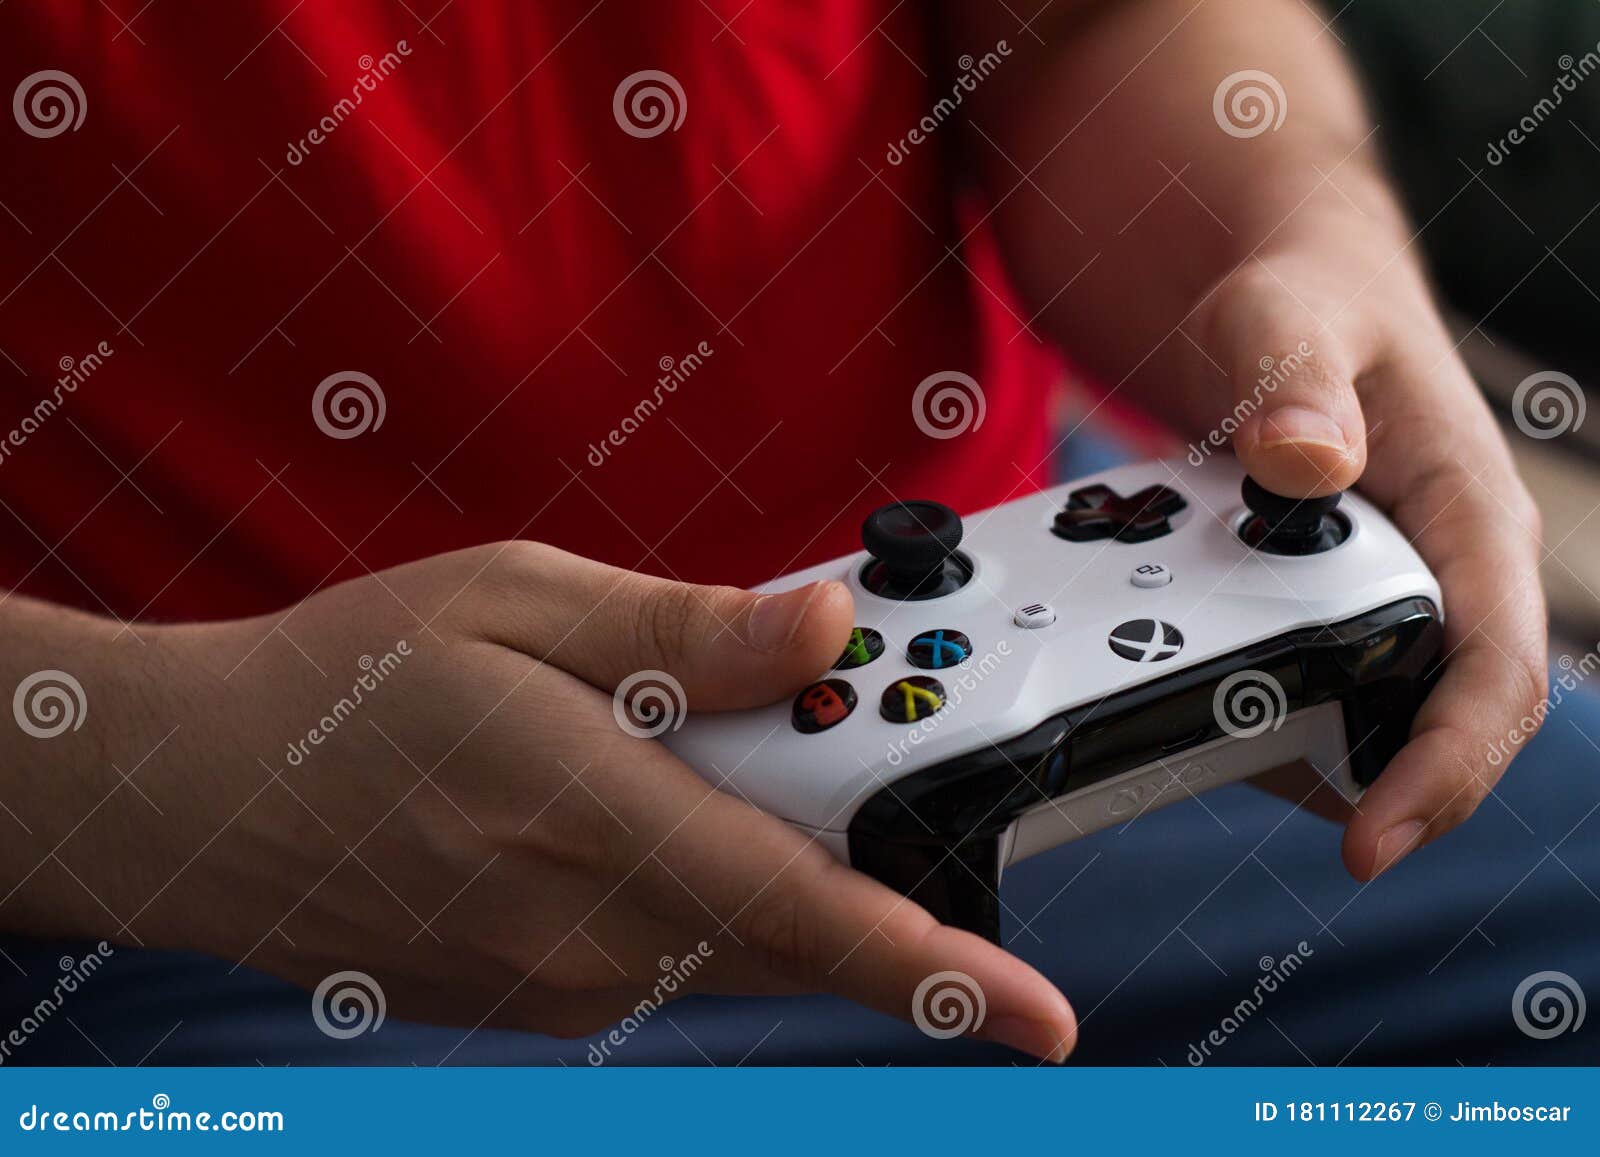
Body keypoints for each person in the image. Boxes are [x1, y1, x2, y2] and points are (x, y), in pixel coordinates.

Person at [0, 2, 1560, 1065]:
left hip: (1059, 641)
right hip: (218, 884)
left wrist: (1301, 233)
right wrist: (136, 773)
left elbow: (1083, 25)